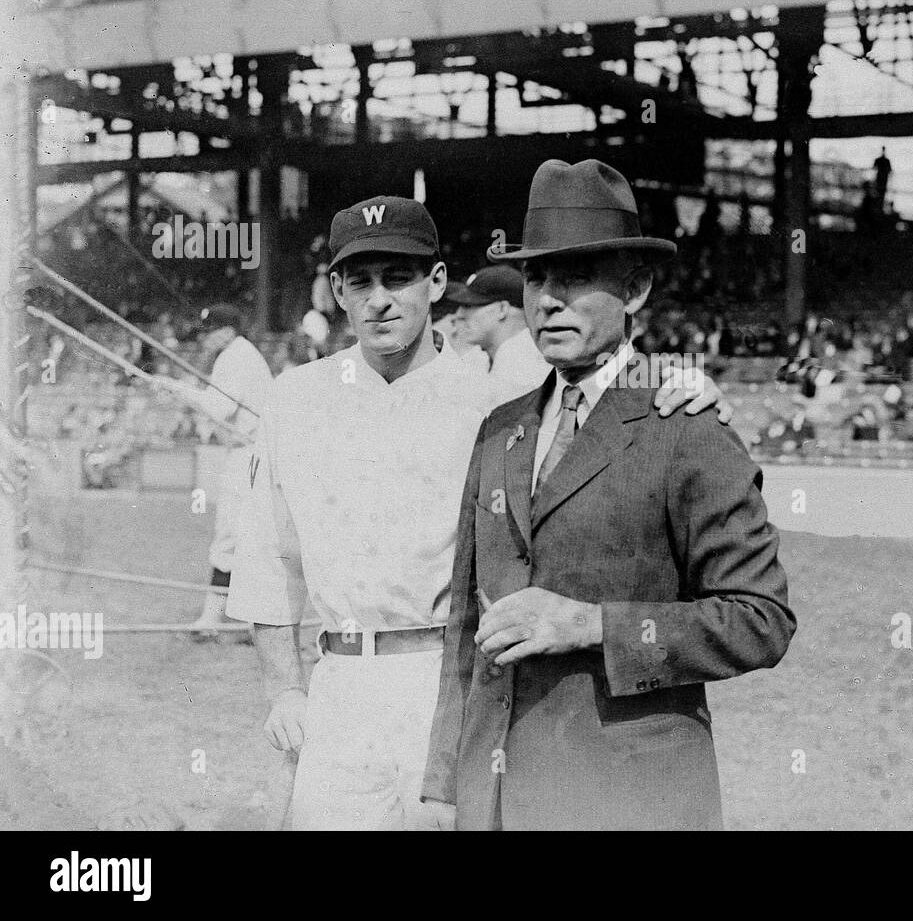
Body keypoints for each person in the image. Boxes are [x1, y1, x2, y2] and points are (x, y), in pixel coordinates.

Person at [227, 195, 729, 830]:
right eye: (361, 282)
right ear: (336, 290)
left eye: (399, 278)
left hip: (453, 680)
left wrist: (683, 386)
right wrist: (285, 690)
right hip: (340, 683)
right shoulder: (294, 401)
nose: (380, 300)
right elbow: (271, 559)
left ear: (437, 282)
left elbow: (600, 402)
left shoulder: (497, 404)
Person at [421, 160, 795, 830]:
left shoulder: (686, 428)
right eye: (537, 276)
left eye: (578, 274)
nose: (550, 298)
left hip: (630, 797)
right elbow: (465, 633)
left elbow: (759, 618)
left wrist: (591, 625)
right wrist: (442, 786)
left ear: (636, 287)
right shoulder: (500, 430)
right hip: (498, 799)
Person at [157, 303, 271, 637]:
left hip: (248, 455)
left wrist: (177, 387)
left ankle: (214, 620)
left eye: (208, 332)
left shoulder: (235, 356)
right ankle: (251, 621)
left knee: (231, 538)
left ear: (227, 331)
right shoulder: (241, 353)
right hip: (254, 455)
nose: (203, 338)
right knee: (248, 539)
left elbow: (220, 408)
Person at [444, 265, 550, 408]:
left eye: (470, 305)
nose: (459, 314)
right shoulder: (485, 357)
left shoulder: (524, 366)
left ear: (502, 309)